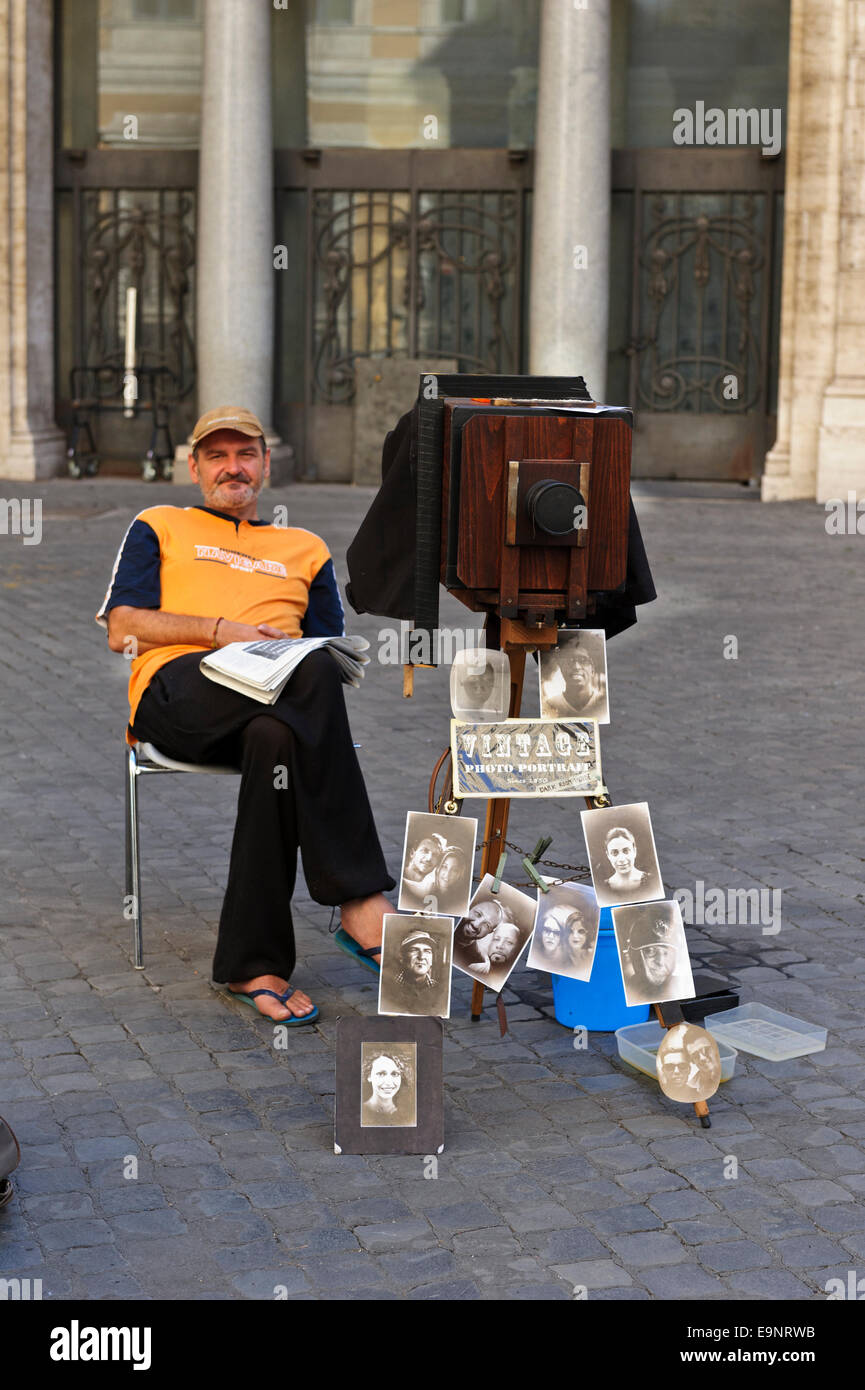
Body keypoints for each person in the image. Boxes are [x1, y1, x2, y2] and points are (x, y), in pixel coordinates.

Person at [96, 405, 395, 1024]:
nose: (233, 467)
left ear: (265, 464)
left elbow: (328, 658)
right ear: (195, 466)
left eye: (246, 454)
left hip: (274, 697)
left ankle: (251, 964)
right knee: (304, 680)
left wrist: (283, 660)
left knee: (276, 738)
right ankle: (360, 899)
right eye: (217, 455)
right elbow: (122, 626)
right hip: (180, 692)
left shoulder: (305, 548)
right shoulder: (160, 524)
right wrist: (218, 632)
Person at [541, 638, 606, 720]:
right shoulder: (550, 705)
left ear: (592, 669)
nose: (576, 667)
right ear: (561, 669)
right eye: (569, 661)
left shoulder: (603, 705)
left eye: (583, 660)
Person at [623, 914, 683, 1002]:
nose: (660, 961)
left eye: (667, 953)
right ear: (633, 955)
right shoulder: (626, 990)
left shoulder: (681, 988)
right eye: (650, 951)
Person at [361, 1051, 414, 1126]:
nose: (388, 1082)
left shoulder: (409, 1116)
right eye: (381, 1074)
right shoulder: (361, 1112)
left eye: (395, 1074)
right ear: (369, 1076)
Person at [602, 826, 653, 898]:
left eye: (626, 851)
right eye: (614, 853)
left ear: (634, 851)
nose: (621, 859)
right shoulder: (602, 888)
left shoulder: (652, 881)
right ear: (608, 856)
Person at [401, 834, 446, 907]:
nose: (429, 858)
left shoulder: (435, 890)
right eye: (425, 851)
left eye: (435, 855)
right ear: (412, 853)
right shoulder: (399, 881)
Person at [433, 845, 468, 915]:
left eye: (454, 870)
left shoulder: (460, 903)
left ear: (459, 874)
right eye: (444, 867)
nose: (447, 874)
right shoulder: (423, 891)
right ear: (437, 867)